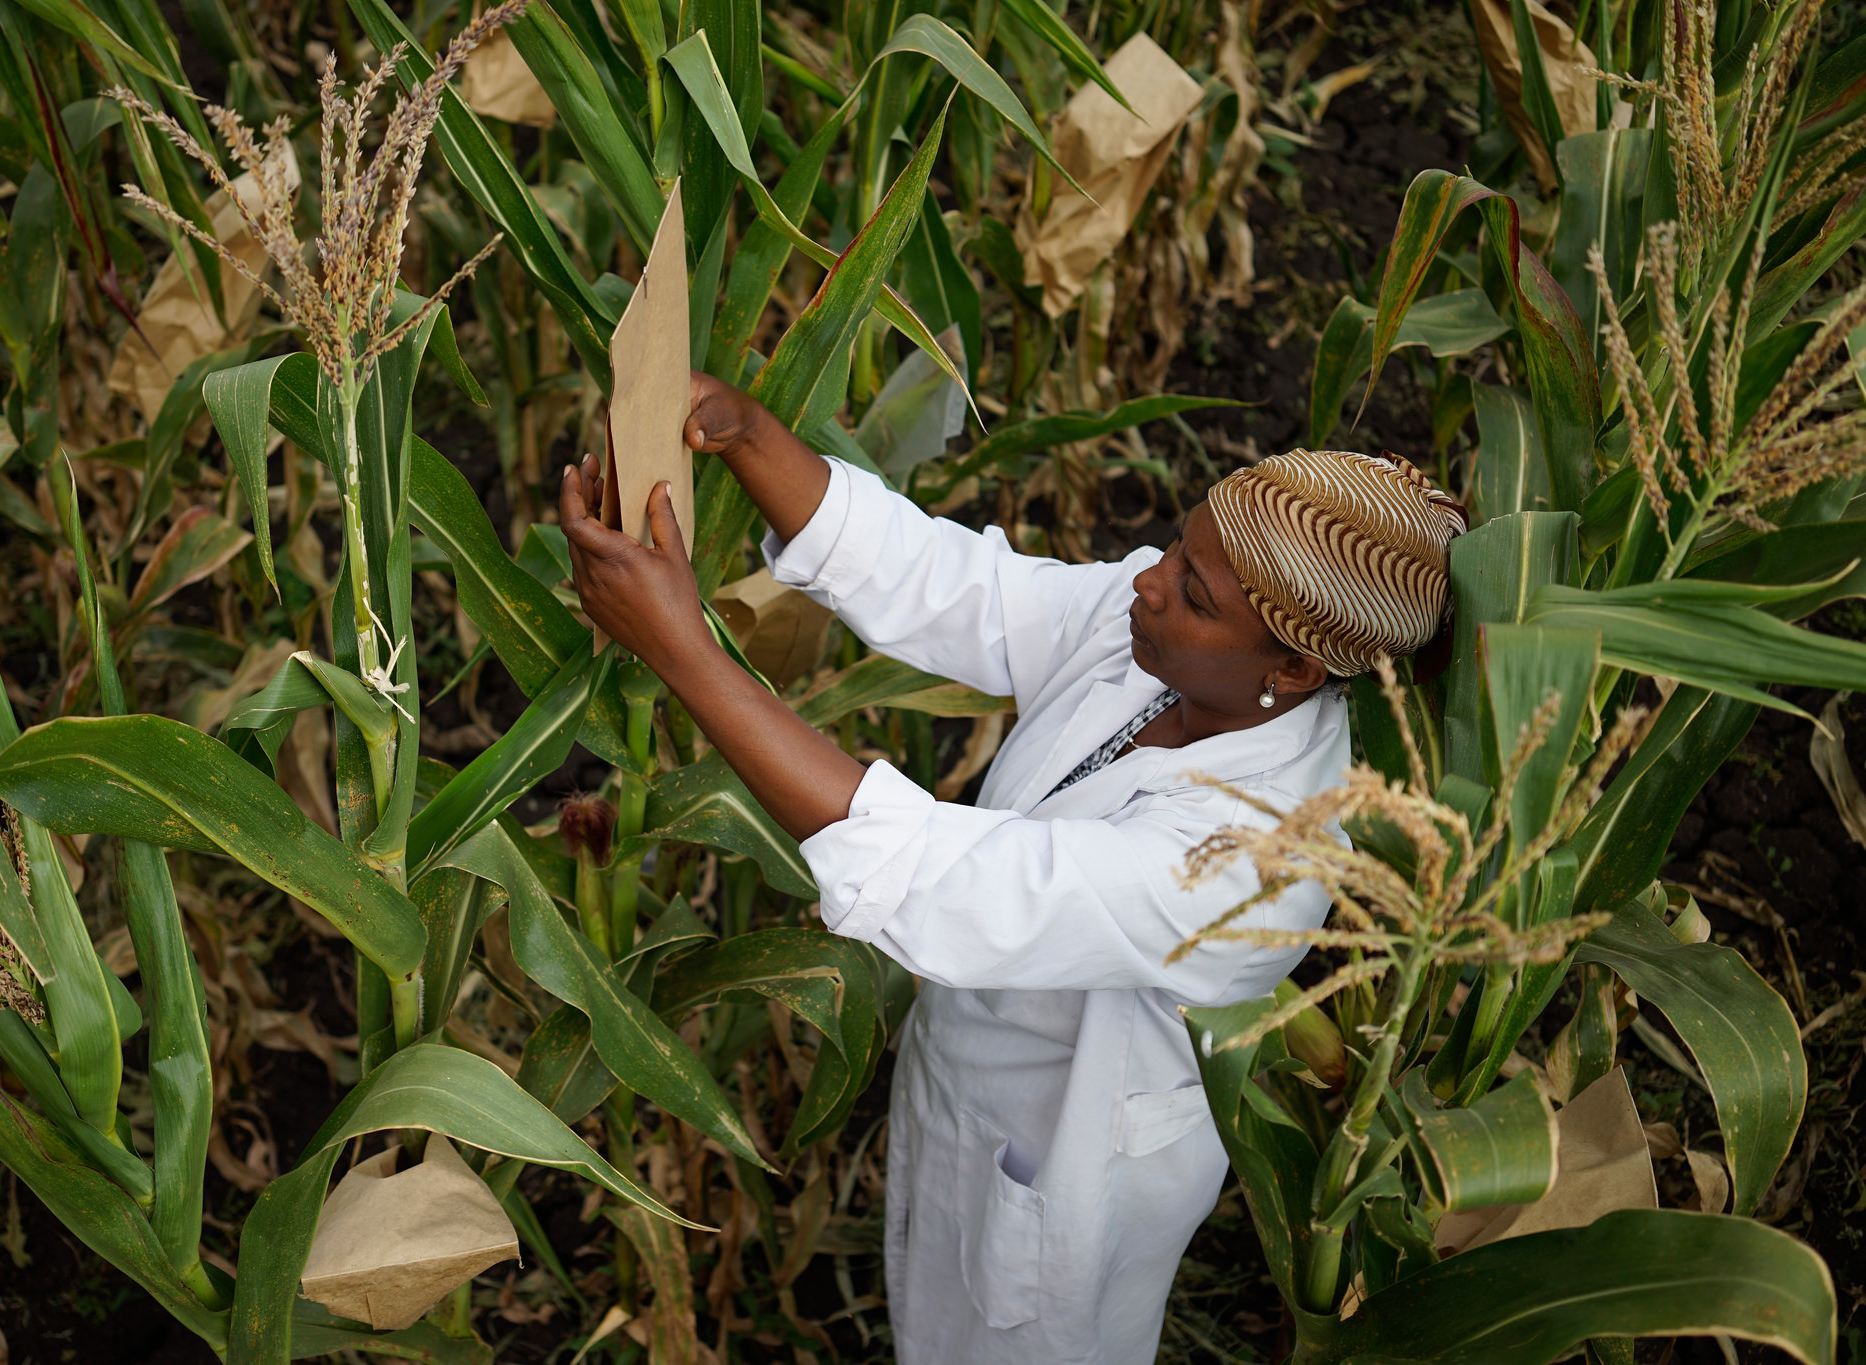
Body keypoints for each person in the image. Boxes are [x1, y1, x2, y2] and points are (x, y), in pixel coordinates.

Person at [557, 372, 1465, 1365]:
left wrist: (686, 653)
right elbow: (964, 591)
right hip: (975, 1076)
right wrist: (751, 436)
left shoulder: (1251, 857)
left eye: (1191, 592)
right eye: (1173, 545)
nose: (1146, 581)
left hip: (1066, 1158)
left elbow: (955, 881)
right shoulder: (1164, 648)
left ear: (1288, 674)